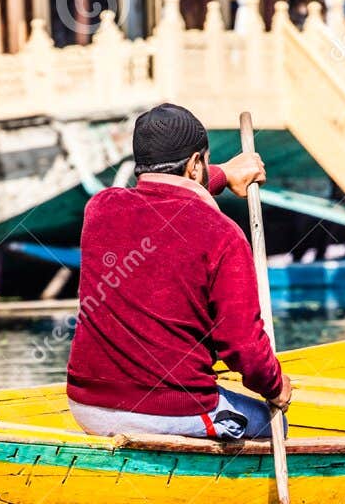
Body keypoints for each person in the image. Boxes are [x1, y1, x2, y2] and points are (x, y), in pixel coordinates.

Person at [67, 102, 292, 441]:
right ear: (195, 163)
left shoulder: (100, 208)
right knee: (274, 424)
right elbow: (243, 348)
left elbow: (164, 197)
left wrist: (223, 174)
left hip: (85, 406)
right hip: (170, 412)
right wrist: (275, 386)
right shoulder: (223, 234)